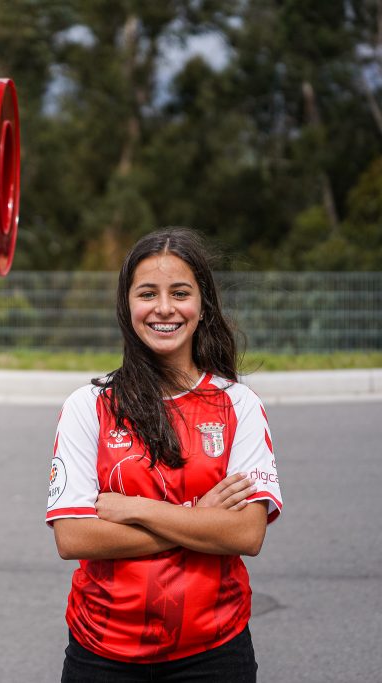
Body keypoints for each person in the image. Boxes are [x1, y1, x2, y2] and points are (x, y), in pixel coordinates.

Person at [46, 228, 283, 682]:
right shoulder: (88, 406)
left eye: (180, 293)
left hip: (216, 653)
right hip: (101, 652)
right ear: (126, 304)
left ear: (203, 306)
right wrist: (200, 520)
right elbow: (74, 538)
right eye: (147, 293)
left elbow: (247, 534)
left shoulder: (238, 405)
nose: (164, 308)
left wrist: (136, 510)